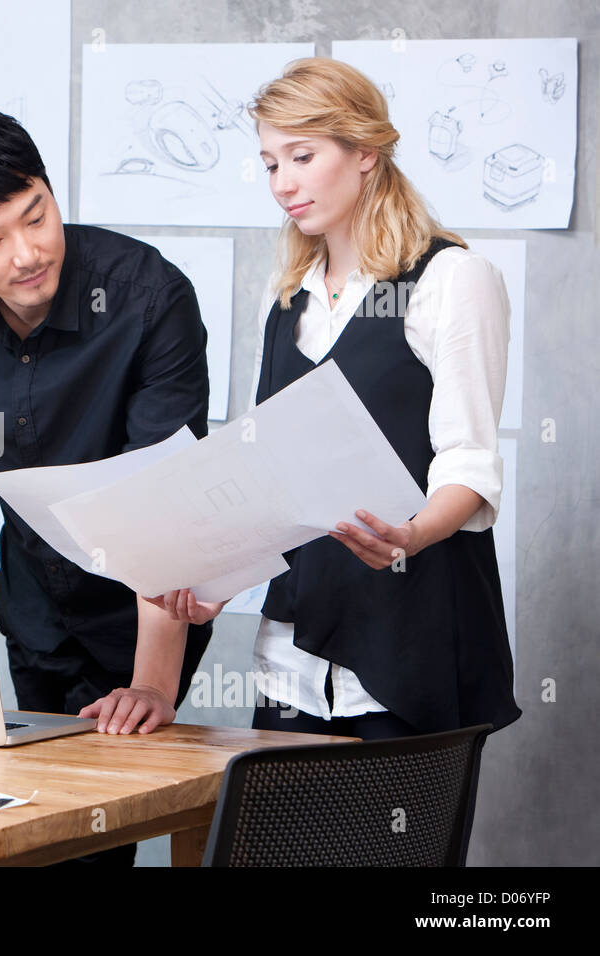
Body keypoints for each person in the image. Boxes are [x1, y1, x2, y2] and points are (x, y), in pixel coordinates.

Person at [0, 108, 214, 862]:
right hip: (34, 608)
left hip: (143, 609)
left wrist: (153, 685)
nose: (27, 253)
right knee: (30, 840)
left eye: (37, 216)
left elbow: (166, 494)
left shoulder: (148, 294)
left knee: (105, 833)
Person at [155, 58, 521, 741]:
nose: (283, 184)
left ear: (365, 153)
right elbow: (275, 479)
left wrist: (409, 536)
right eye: (269, 163)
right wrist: (218, 584)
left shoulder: (453, 280)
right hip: (293, 655)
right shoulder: (286, 296)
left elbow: (468, 460)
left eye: (302, 155)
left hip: (411, 646)